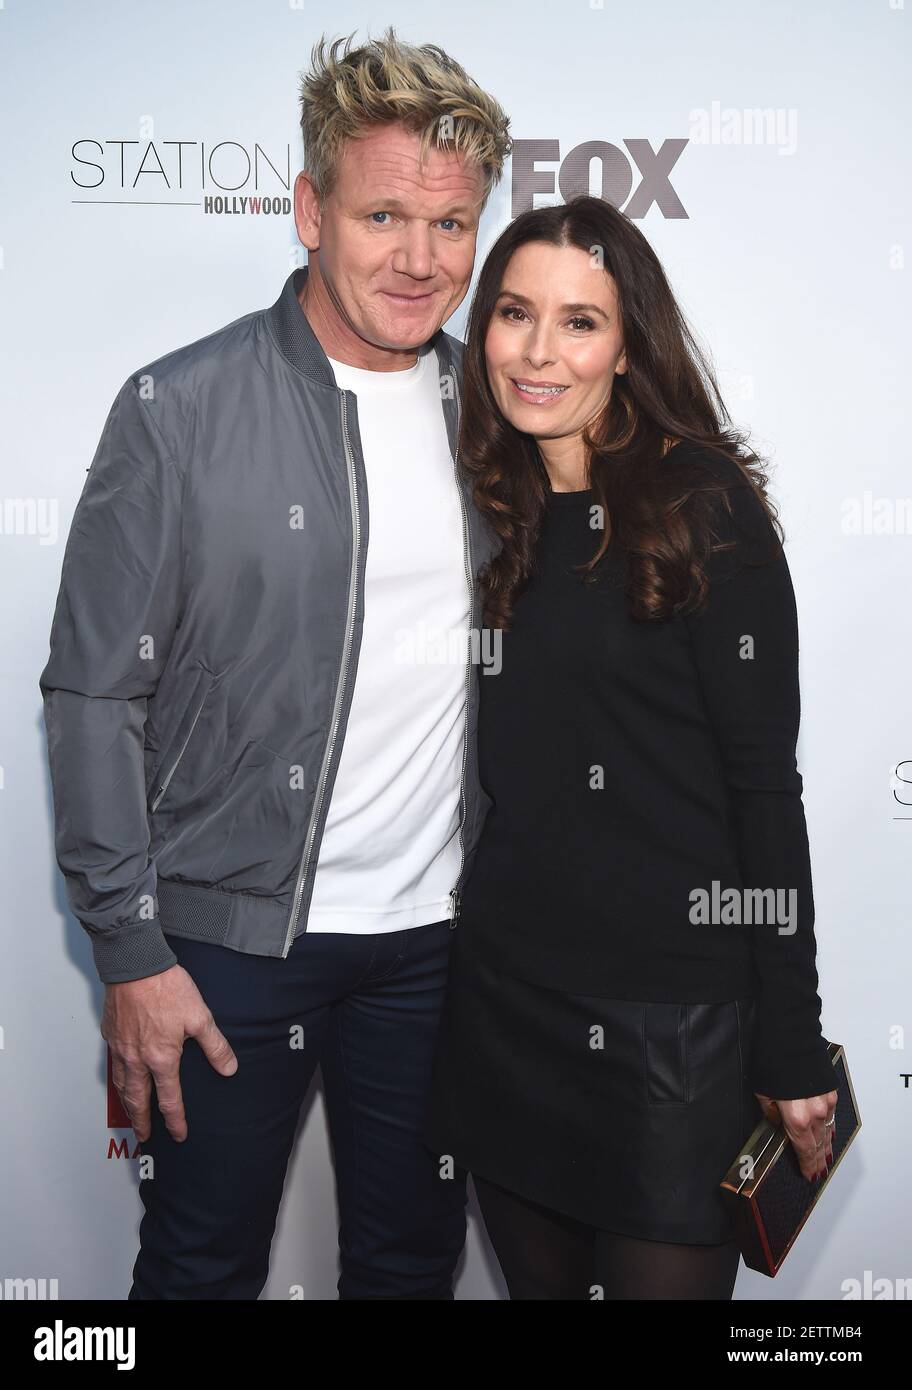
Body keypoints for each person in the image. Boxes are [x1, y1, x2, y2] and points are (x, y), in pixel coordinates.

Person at [39, 28, 510, 1300]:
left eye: (453, 225)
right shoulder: (177, 410)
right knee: (197, 1267)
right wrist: (131, 951)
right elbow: (92, 693)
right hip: (227, 945)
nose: (420, 260)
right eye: (383, 215)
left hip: (436, 947)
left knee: (409, 1267)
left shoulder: (498, 420)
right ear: (309, 209)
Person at [422, 195, 839, 1301]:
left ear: (627, 343)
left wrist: (789, 1046)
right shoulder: (495, 507)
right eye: (513, 314)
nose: (536, 352)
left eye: (578, 322)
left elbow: (764, 789)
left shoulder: (701, 506)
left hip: (673, 1039)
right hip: (509, 1010)